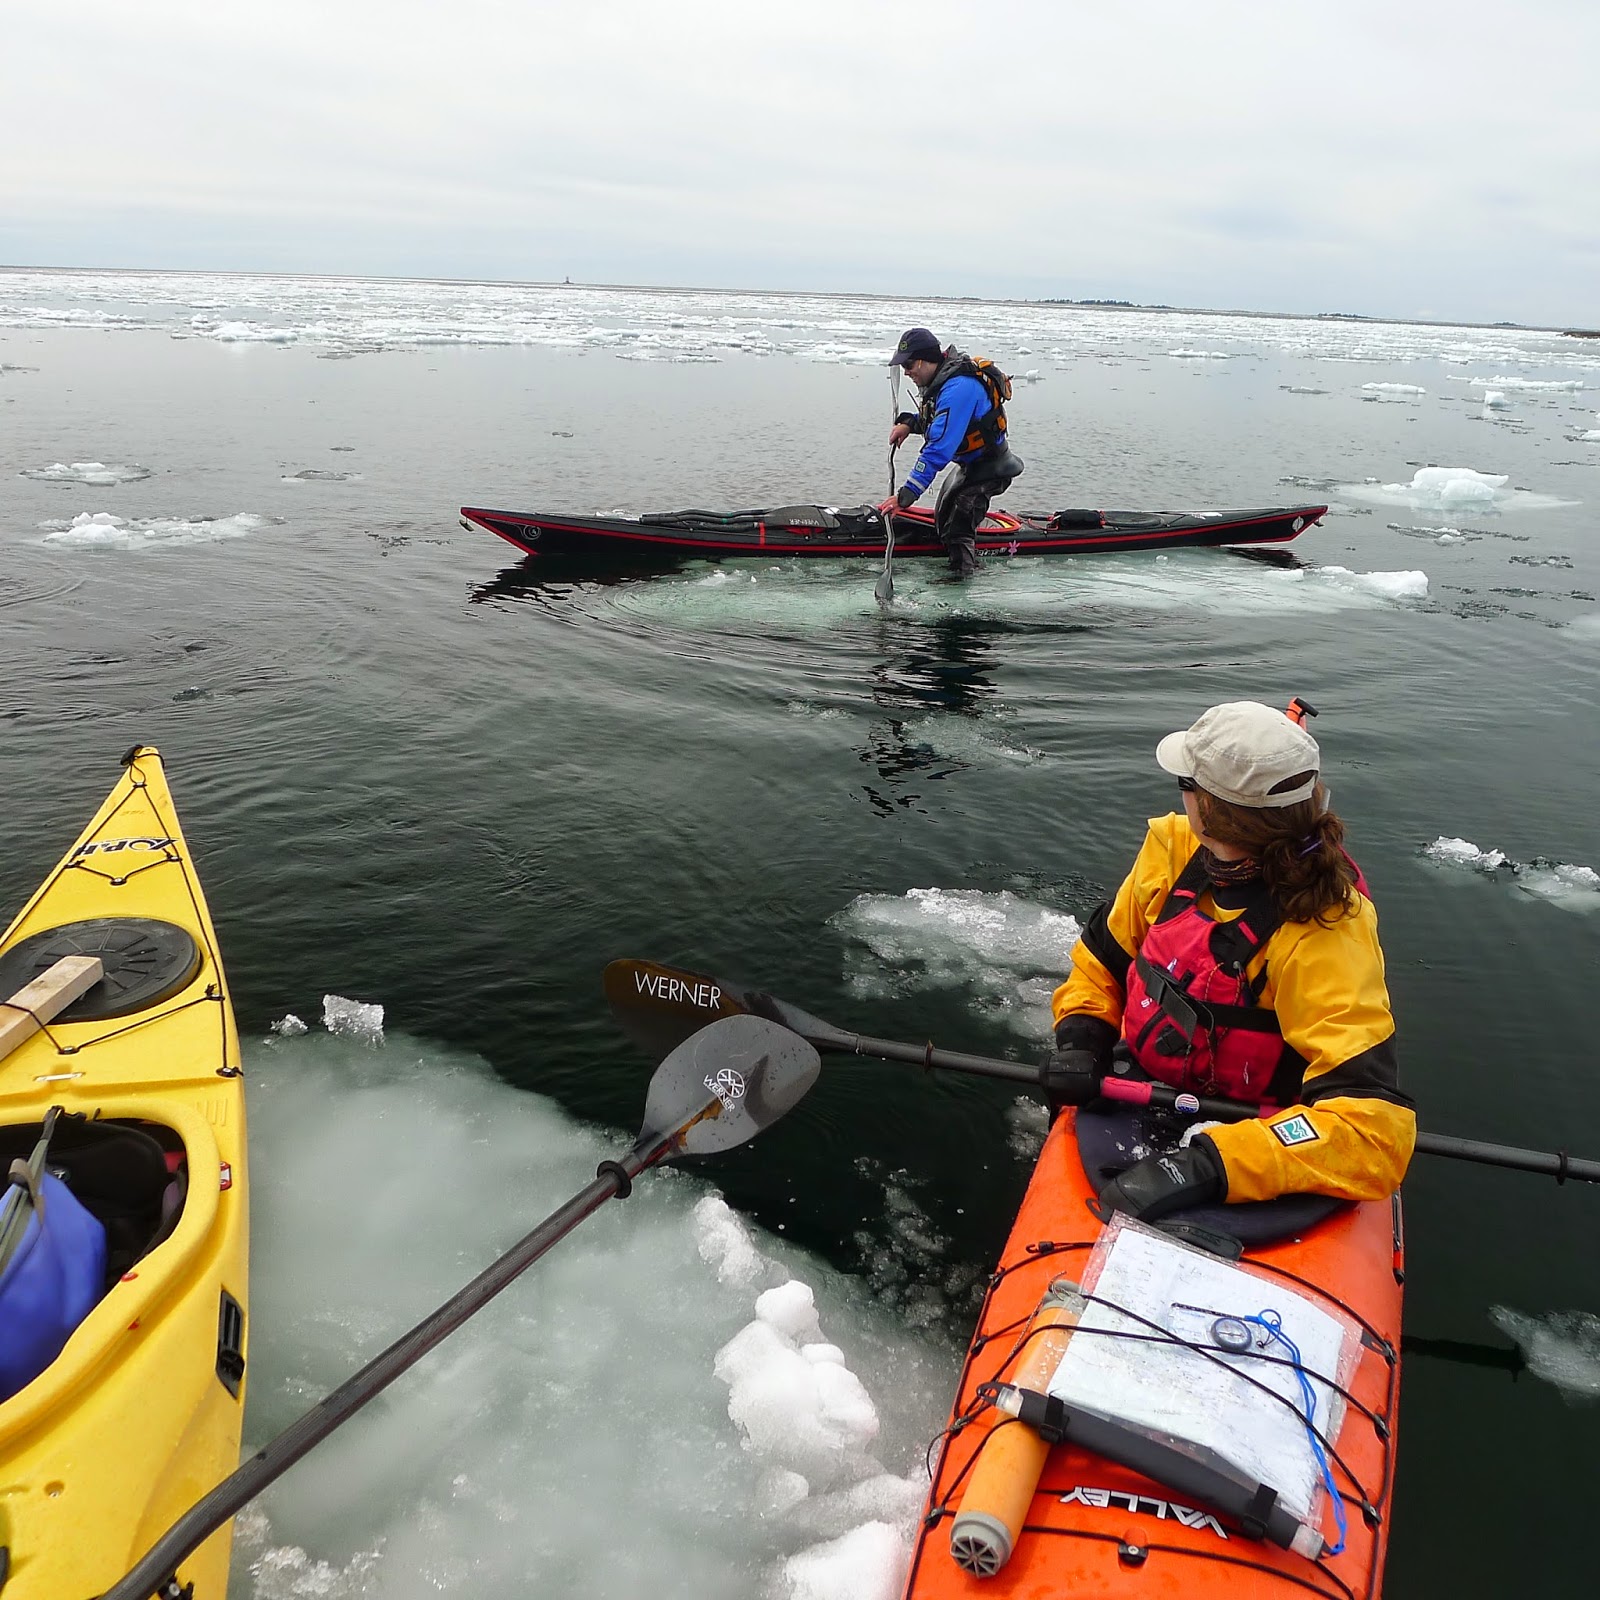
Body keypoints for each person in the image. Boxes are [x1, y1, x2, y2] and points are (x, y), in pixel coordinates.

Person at [1047, 699, 1415, 1222]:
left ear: (1214, 812)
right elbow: (1103, 958)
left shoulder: (1327, 930)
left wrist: (1208, 1166)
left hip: (1265, 1124)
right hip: (1145, 1086)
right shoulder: (1173, 848)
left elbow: (1372, 1132)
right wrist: (1082, 1036)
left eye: (1186, 785)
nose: (1181, 797)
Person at [887, 328, 1023, 578]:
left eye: (908, 365)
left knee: (958, 528)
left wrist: (905, 495)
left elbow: (938, 449)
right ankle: (957, 561)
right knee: (943, 520)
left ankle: (960, 586)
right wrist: (909, 424)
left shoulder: (959, 388)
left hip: (990, 468)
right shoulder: (943, 381)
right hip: (971, 465)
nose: (906, 372)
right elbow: (938, 420)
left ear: (924, 360)